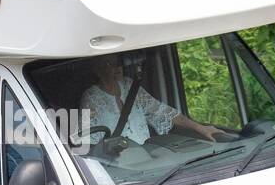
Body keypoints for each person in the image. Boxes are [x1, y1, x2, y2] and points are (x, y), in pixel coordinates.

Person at [79, 54, 221, 152]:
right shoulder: (90, 97)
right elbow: (87, 140)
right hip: (116, 165)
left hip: (146, 157)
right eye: (109, 64)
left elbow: (163, 112)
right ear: (97, 70)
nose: (117, 68)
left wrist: (200, 128)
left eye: (118, 63)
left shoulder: (130, 86)